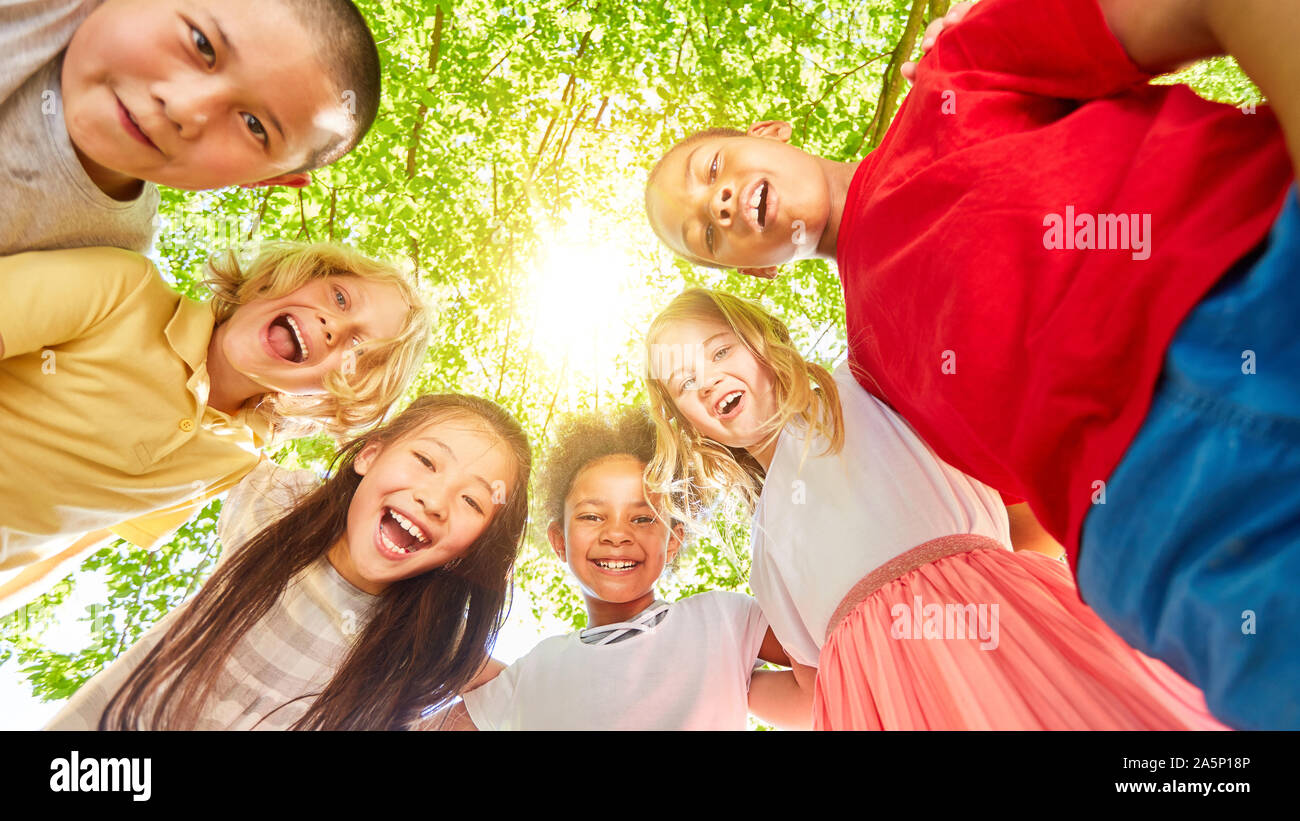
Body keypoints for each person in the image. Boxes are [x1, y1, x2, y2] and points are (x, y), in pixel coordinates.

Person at [642, 0, 1299, 730]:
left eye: (711, 168)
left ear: (767, 133)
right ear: (752, 273)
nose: (720, 200)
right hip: (1156, 539)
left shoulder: (951, 77)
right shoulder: (883, 378)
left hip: (1247, 303)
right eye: (705, 229)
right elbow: (1027, 513)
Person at [644, 287, 1227, 730]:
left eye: (720, 350)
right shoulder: (764, 553)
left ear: (763, 342)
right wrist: (716, 672)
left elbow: (1025, 504)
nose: (708, 380)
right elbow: (815, 693)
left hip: (1013, 642)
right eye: (684, 383)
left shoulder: (869, 383)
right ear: (686, 423)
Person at [46, 393, 530, 730]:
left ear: (470, 547)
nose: (435, 499)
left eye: (472, 501)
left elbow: (538, 688)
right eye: (426, 461)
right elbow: (201, 419)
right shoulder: (282, 505)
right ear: (369, 455)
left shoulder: (428, 645)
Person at [0, 242, 429, 613]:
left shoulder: (236, 460)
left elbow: (79, 540)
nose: (333, 327)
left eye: (358, 349)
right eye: (339, 298)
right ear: (282, 278)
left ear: (335, 393)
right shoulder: (123, 291)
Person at [425, 406, 813, 731]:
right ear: (559, 541)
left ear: (673, 540)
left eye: (642, 519)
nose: (616, 534)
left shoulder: (724, 620)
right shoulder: (533, 673)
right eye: (593, 516)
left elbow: (818, 692)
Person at [0, 0, 381, 253]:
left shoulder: (106, 267)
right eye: (203, 44)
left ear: (264, 182)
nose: (183, 108)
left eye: (254, 126)